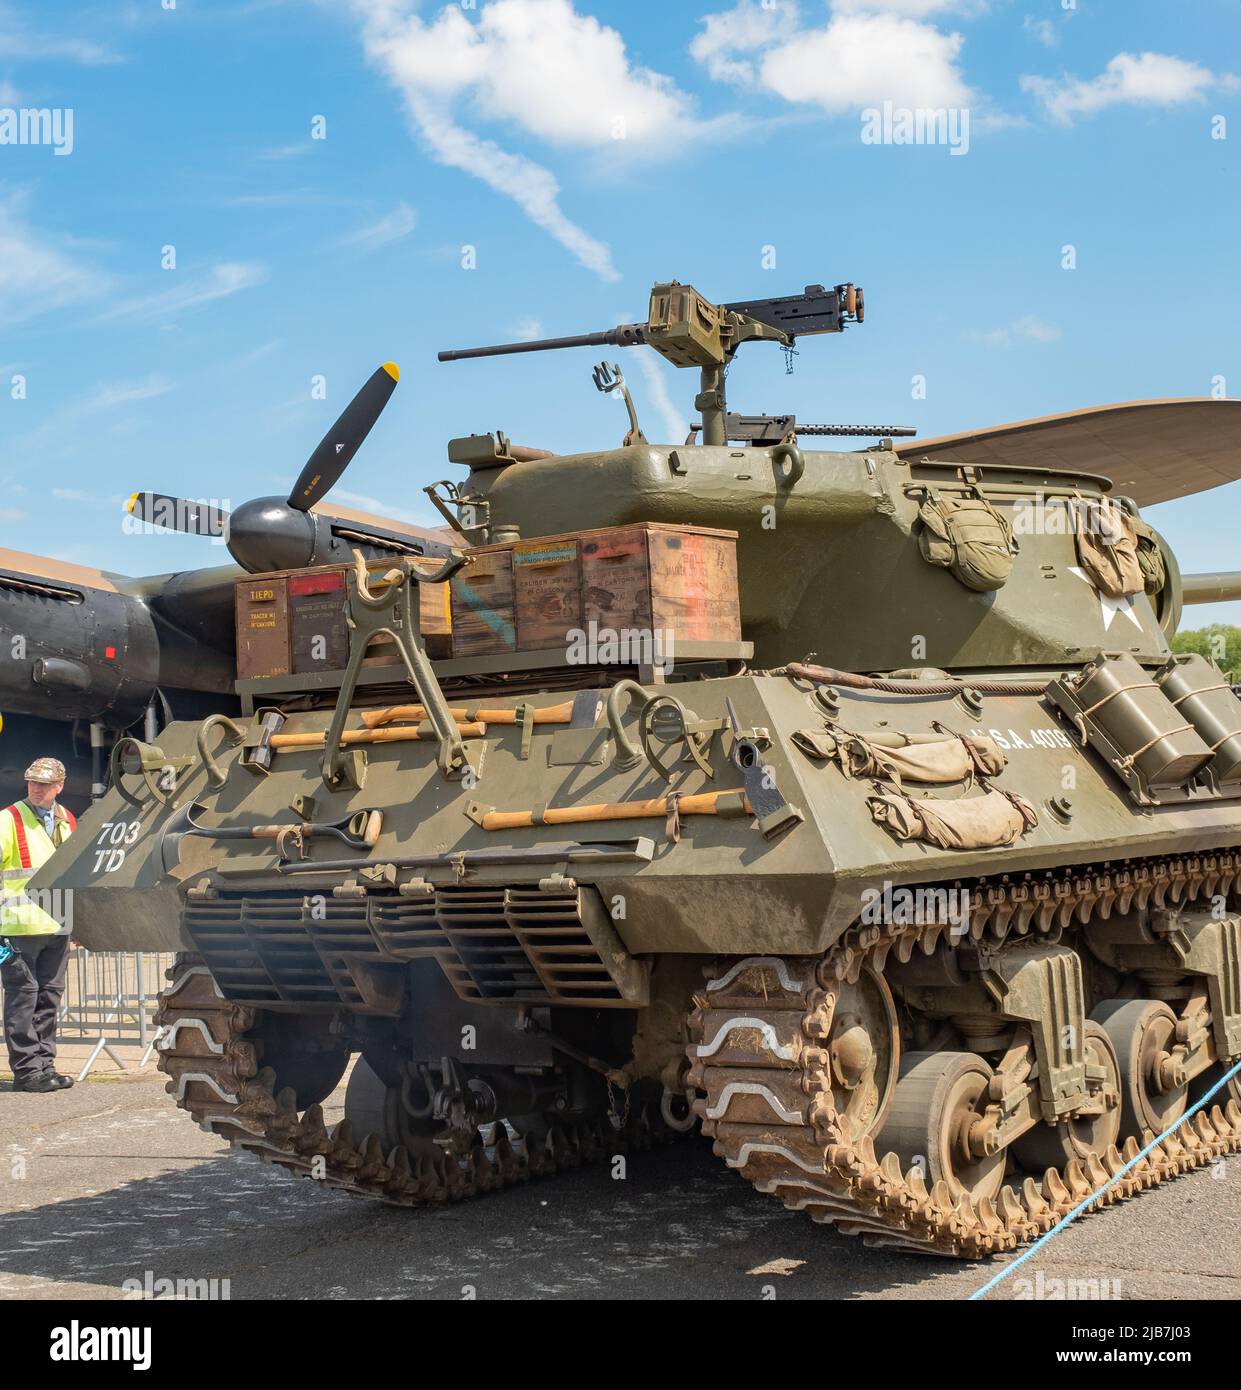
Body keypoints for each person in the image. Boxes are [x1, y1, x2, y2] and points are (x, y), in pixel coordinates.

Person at [1, 757, 77, 1093]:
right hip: (18, 927)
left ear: (59, 786)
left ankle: (46, 1066)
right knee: (23, 999)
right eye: (32, 782)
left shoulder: (67, 821)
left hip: (58, 925)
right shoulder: (9, 820)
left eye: (44, 784)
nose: (36, 788)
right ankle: (28, 1072)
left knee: (49, 998)